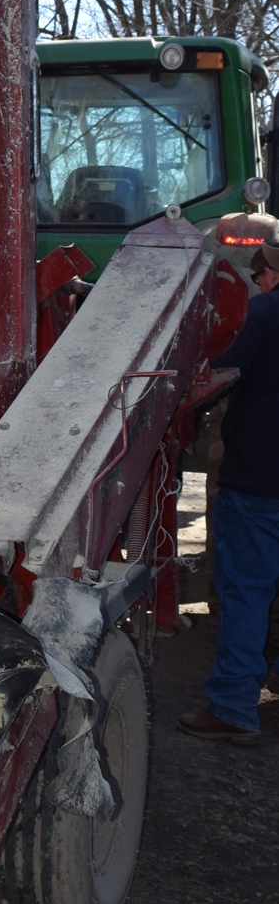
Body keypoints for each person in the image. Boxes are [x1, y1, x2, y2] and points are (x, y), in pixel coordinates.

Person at [180, 244, 279, 746]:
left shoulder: (262, 311)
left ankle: (234, 705)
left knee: (247, 591)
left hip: (261, 479)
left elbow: (217, 371)